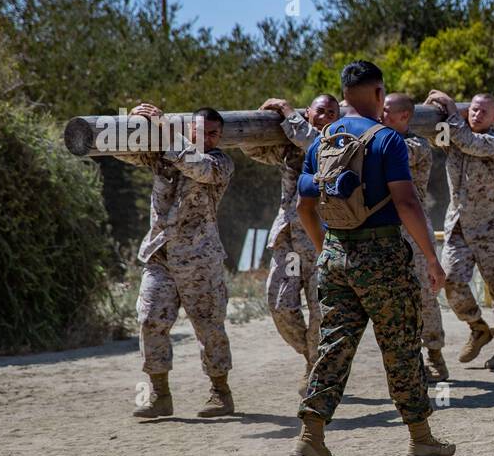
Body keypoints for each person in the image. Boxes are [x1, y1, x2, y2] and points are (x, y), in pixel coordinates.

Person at [291, 61, 454, 456]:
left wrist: (326, 248)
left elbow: (303, 206)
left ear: (344, 94)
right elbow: (406, 203)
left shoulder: (322, 139)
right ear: (380, 94)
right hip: (381, 258)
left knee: (333, 346)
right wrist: (431, 259)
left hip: (335, 256)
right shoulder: (388, 140)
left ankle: (311, 439)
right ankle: (421, 440)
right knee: (400, 345)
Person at [124, 104, 236, 420]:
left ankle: (220, 392)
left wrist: (165, 131)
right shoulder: (162, 154)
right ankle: (160, 394)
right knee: (149, 319)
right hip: (160, 255)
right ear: (190, 129)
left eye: (215, 133)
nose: (210, 137)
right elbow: (126, 153)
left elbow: (197, 167)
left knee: (209, 327)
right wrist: (134, 125)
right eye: (203, 131)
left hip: (200, 260)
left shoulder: (219, 163)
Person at [252, 94, 341, 392]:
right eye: (320, 111)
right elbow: (252, 148)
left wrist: (288, 112)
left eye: (332, 112)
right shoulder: (290, 147)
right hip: (290, 240)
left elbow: (312, 141)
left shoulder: (338, 142)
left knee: (321, 310)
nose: (326, 116)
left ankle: (315, 367)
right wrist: (258, 118)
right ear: (309, 112)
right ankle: (311, 355)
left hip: (324, 241)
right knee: (281, 304)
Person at [425, 90, 494, 370]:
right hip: (459, 225)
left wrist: (452, 107)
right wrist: (434, 112)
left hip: (492, 226)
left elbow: (466, 140)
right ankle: (478, 327)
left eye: (483, 112)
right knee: (451, 280)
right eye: (474, 110)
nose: (477, 114)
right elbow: (437, 137)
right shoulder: (456, 138)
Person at [382, 92, 449, 382]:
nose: (380, 114)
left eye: (386, 111)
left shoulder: (416, 146)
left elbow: (386, 154)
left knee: (424, 294)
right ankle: (409, 361)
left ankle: (434, 354)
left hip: (413, 230)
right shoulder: (379, 137)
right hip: (383, 230)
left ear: (404, 116)